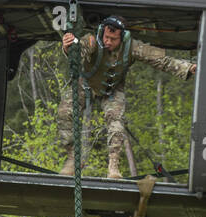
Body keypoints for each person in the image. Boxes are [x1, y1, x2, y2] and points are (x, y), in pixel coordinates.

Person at [57, 16, 197, 179]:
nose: (108, 41)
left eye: (113, 39)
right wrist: (69, 47)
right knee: (65, 111)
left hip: (113, 89)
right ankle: (74, 158)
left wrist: (187, 67)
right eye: (106, 37)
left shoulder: (133, 47)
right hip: (86, 83)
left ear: (122, 38)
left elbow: (161, 60)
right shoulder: (92, 41)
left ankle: (113, 166)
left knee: (116, 122)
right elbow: (79, 49)